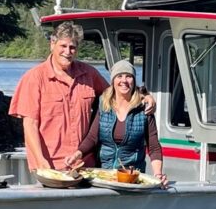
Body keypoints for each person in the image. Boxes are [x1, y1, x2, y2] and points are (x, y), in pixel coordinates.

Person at [9, 22, 153, 171]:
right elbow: (30, 125)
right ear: (52, 44)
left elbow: (118, 92)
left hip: (84, 165)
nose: (68, 51)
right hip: (50, 167)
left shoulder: (89, 74)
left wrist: (143, 95)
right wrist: (40, 161)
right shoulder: (34, 78)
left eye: (72, 47)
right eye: (63, 46)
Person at [65, 60, 168, 186]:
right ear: (113, 81)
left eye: (128, 76)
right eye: (119, 76)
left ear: (134, 81)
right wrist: (77, 154)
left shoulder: (144, 108)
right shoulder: (104, 104)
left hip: (131, 176)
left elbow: (153, 147)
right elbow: (92, 138)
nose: (124, 80)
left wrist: (158, 174)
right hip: (104, 174)